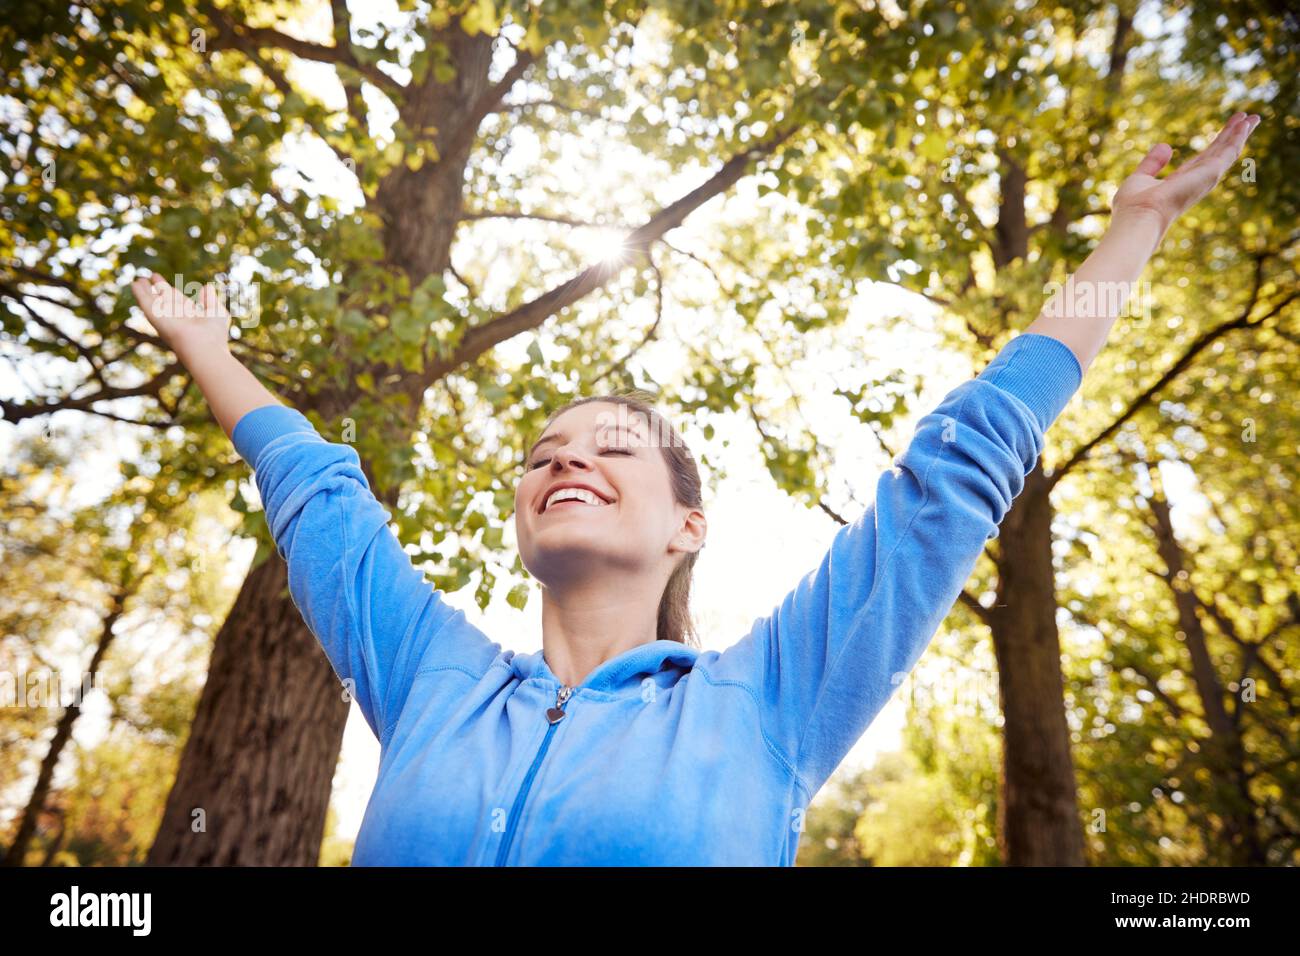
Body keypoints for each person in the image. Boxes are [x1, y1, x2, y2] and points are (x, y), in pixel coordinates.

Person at [129, 112, 1261, 865]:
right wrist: (206, 347)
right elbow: (320, 499)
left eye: (612, 443)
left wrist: (1132, 231)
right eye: (541, 451)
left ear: (688, 524)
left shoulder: (765, 698)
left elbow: (962, 463)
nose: (564, 458)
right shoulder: (433, 679)